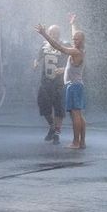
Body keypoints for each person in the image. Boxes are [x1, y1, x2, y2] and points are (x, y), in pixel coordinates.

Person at [35, 14, 87, 150]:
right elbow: (76, 36)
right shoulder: (79, 48)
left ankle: (76, 142)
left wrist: (45, 34)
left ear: (81, 41)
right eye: (73, 39)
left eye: (77, 39)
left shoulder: (75, 51)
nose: (74, 40)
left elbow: (60, 48)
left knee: (75, 114)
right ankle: (82, 142)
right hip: (75, 85)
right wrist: (73, 24)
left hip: (73, 86)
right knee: (79, 115)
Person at [32, 23, 67, 143]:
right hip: (45, 81)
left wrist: (64, 69)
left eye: (56, 33)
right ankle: (52, 126)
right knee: (43, 106)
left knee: (58, 108)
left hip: (59, 82)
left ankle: (57, 133)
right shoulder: (44, 45)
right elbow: (38, 57)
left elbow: (72, 62)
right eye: (52, 33)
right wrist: (36, 62)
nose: (54, 35)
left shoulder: (65, 45)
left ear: (59, 34)